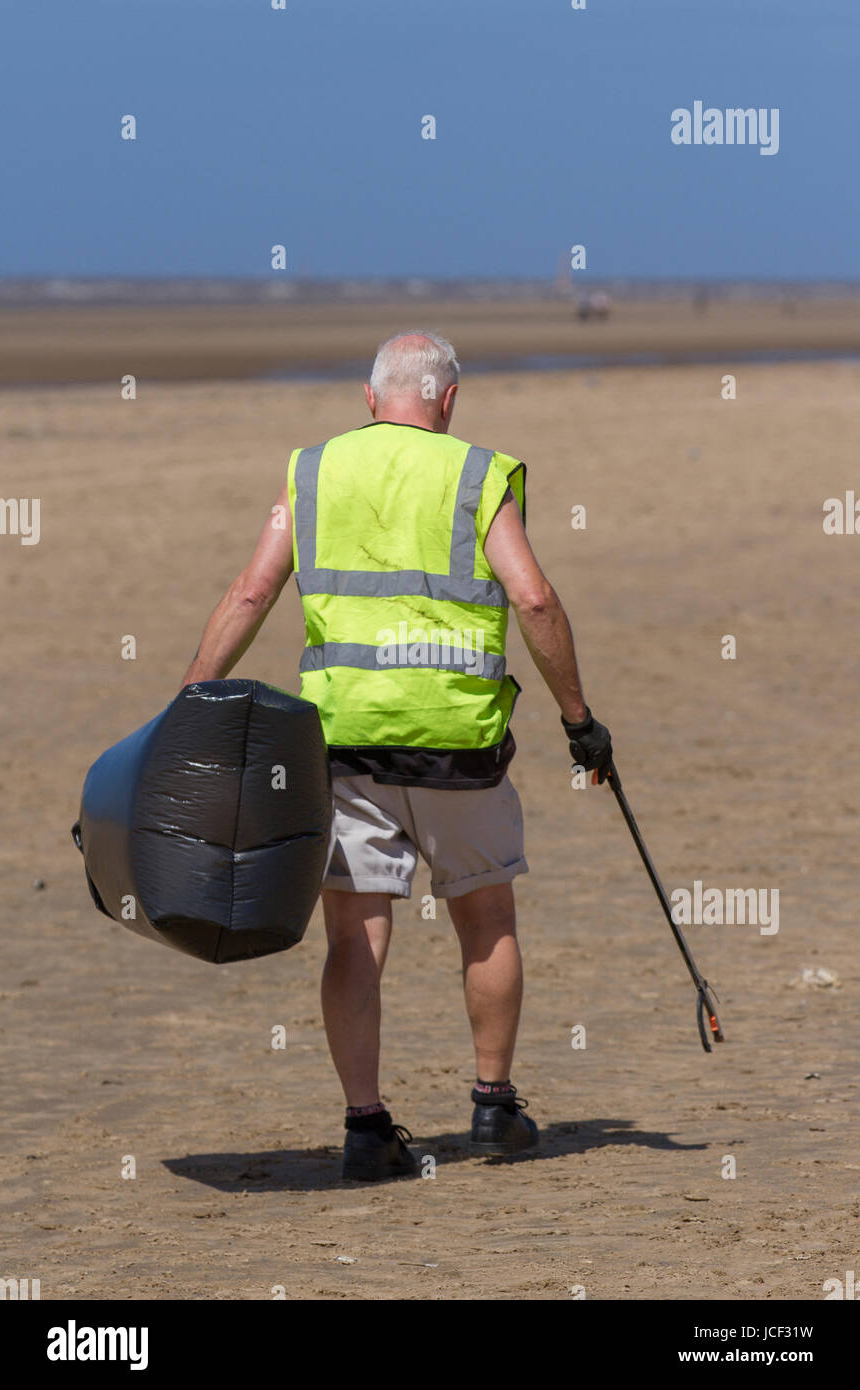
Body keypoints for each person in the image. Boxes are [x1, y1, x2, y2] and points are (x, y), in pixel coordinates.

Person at [180, 330, 612, 1181]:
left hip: (343, 743)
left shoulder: (310, 472)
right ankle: (493, 1111)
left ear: (369, 398)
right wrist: (578, 717)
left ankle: (366, 1128)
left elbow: (252, 589)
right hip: (460, 744)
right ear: (447, 401)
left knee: (355, 934)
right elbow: (532, 595)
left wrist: (192, 698)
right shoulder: (477, 474)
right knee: (485, 919)